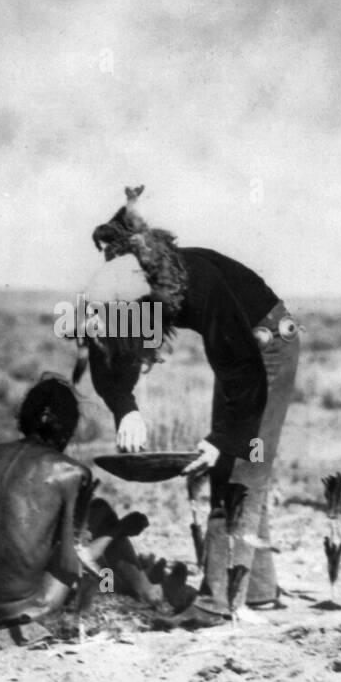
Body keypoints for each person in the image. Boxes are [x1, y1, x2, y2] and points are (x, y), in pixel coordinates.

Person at [82, 186, 300, 623]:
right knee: (236, 467)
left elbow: (244, 370)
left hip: (265, 345)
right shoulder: (124, 280)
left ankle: (217, 604)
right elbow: (107, 353)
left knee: (240, 465)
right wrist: (126, 408)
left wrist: (223, 439)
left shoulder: (198, 284)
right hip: (241, 354)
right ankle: (257, 592)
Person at [0, 374, 176, 621]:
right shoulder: (69, 472)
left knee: (94, 513)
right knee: (101, 513)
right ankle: (147, 594)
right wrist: (120, 530)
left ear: (25, 417)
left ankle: (127, 586)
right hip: (27, 608)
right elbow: (72, 562)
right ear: (69, 426)